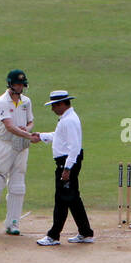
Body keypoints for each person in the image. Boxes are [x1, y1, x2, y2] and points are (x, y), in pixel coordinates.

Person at [0, 69, 37, 236]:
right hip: (4, 146)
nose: (20, 87)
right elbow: (9, 126)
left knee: (18, 185)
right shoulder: (2, 102)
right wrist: (29, 135)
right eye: (17, 84)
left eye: (22, 84)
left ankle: (13, 223)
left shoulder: (26, 101)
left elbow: (30, 121)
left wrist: (28, 129)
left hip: (21, 146)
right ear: (10, 84)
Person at [34, 90, 94, 246]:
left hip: (67, 163)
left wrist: (67, 169)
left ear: (61, 104)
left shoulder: (69, 121)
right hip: (67, 162)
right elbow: (60, 137)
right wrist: (41, 136)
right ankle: (85, 232)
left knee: (62, 199)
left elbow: (74, 147)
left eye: (54, 105)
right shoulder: (67, 119)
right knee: (73, 198)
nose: (52, 109)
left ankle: (53, 236)